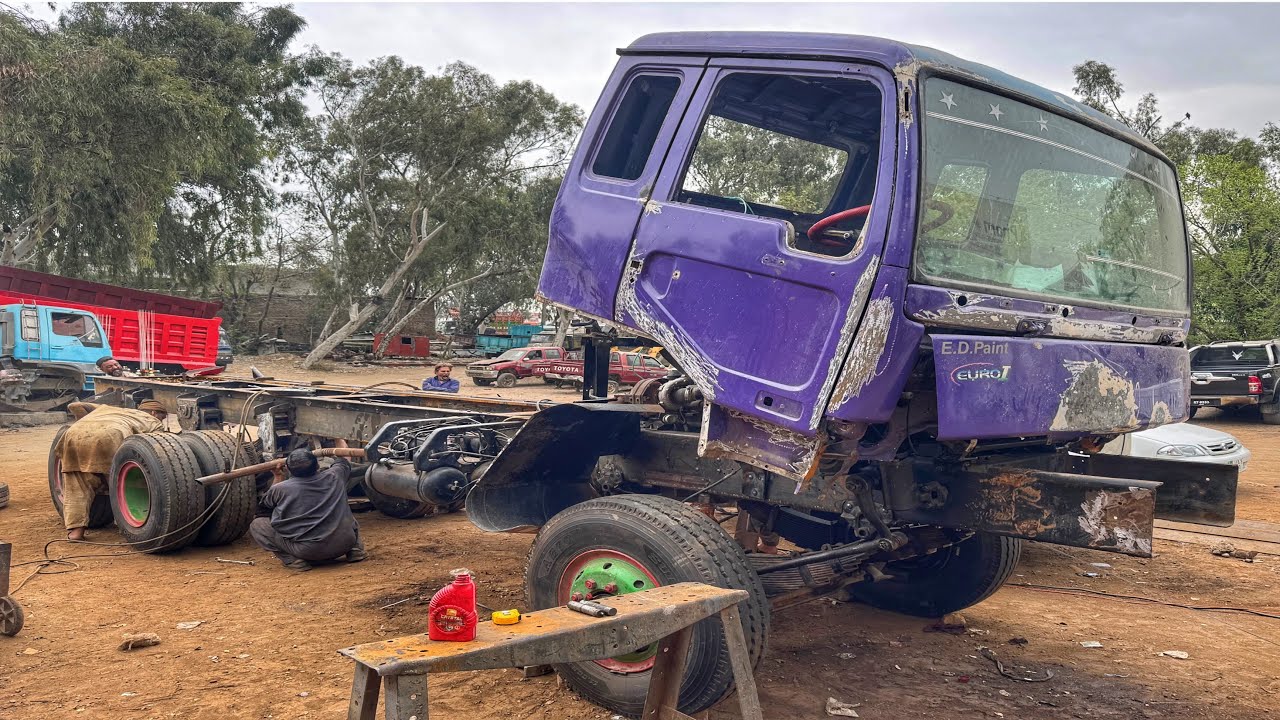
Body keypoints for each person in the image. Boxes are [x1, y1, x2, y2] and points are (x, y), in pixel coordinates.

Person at [57, 400, 169, 541]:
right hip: (111, 435)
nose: (162, 421)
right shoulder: (152, 421)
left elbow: (75, 405)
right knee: (122, 482)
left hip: (74, 434)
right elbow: (158, 450)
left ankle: (76, 532)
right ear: (153, 413)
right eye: (162, 417)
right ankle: (127, 522)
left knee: (77, 484)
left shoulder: (111, 409)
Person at [250, 439, 367, 571]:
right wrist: (339, 439)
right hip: (345, 543)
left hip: (308, 551)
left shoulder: (280, 489)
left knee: (257, 525)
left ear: (287, 468)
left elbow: (263, 512)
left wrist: (278, 476)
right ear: (317, 466)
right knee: (343, 513)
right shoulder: (335, 475)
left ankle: (293, 560)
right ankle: (355, 549)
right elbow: (344, 456)